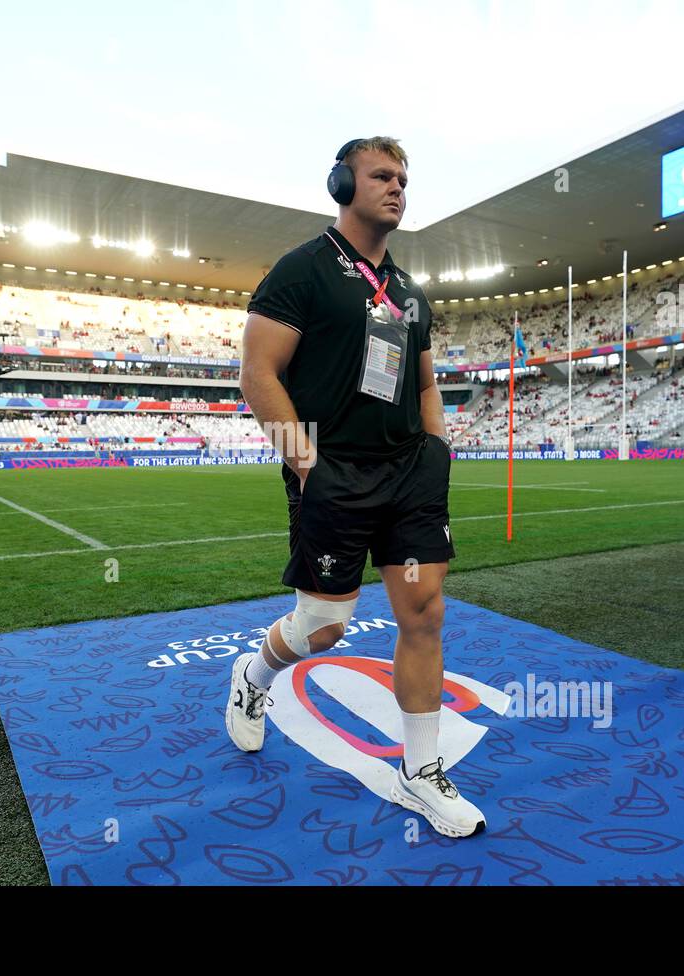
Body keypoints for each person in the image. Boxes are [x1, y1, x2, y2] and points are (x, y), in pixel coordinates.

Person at [225, 137, 474, 837]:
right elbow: (258, 374)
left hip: (410, 476)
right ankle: (254, 674)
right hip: (333, 470)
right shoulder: (301, 271)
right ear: (342, 182)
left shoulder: (409, 293)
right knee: (325, 625)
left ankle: (418, 772)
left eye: (403, 178)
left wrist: (436, 450)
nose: (397, 188)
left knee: (424, 614)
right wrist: (306, 464)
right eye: (382, 176)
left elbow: (425, 381)